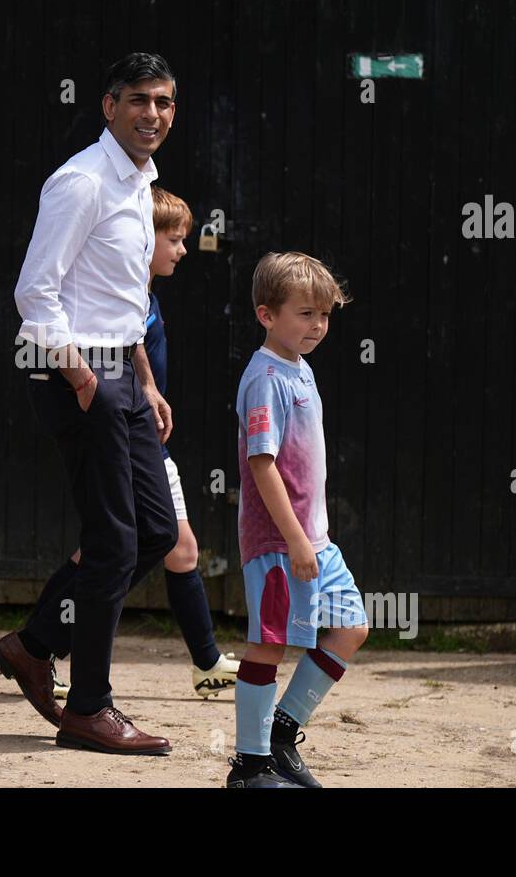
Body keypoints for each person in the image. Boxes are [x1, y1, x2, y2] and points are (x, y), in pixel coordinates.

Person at [0, 53, 181, 756]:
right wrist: (83, 380)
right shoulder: (81, 181)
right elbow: (35, 294)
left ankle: (36, 644)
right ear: (108, 106)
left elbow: (118, 301)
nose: (152, 114)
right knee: (113, 544)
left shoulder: (140, 182)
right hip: (79, 378)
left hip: (121, 375)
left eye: (163, 102)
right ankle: (88, 709)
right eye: (139, 100)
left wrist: (145, 382)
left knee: (155, 532)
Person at [47, 187, 239, 701]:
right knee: (118, 548)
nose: (181, 249)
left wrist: (151, 389)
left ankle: (205, 661)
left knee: (172, 547)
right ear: (140, 237)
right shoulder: (118, 292)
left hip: (147, 436)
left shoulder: (145, 297)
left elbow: (137, 356)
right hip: (130, 436)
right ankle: (42, 641)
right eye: (172, 239)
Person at [225, 252, 368, 789]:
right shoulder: (264, 378)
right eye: (305, 314)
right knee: (269, 644)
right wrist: (294, 540)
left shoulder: (301, 369)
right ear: (266, 315)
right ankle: (249, 766)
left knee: (351, 627)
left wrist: (311, 540)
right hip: (280, 544)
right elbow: (261, 465)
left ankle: (281, 735)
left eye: (325, 315)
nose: (318, 326)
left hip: (314, 540)